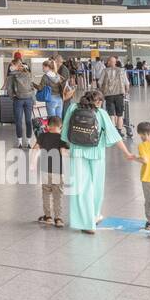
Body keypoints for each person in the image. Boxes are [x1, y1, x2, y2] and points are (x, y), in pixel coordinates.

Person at [61, 90, 135, 234]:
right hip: (96, 153)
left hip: (77, 152)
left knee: (81, 188)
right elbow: (114, 135)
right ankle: (94, 216)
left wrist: (66, 148)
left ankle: (86, 222)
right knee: (96, 187)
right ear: (99, 101)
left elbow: (65, 131)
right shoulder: (101, 113)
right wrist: (126, 153)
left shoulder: (72, 108)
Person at [33, 113, 67, 227]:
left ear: (48, 126)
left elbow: (35, 149)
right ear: (60, 127)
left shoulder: (42, 136)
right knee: (58, 194)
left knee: (46, 192)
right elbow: (64, 153)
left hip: (45, 170)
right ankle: (58, 218)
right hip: (58, 171)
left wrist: (33, 163)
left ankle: (47, 217)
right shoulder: (62, 138)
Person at [6, 52, 37, 149]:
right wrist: (33, 100)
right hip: (28, 99)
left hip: (18, 99)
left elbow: (9, 89)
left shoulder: (11, 74)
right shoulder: (27, 72)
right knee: (28, 121)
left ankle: (19, 142)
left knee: (18, 121)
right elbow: (32, 86)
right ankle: (28, 142)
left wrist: (13, 97)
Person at [99, 56, 130, 138]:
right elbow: (127, 83)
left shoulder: (105, 71)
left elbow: (99, 82)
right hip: (119, 94)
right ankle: (119, 132)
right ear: (115, 62)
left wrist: (102, 91)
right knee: (119, 115)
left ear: (108, 62)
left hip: (108, 95)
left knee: (111, 114)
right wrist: (126, 92)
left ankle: (113, 132)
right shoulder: (121, 70)